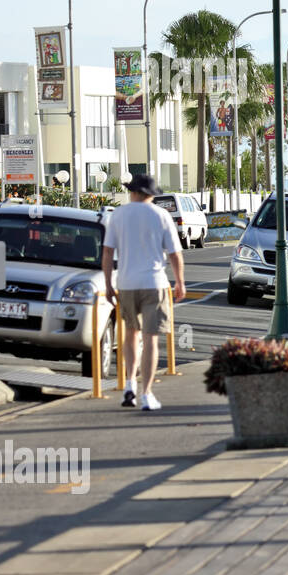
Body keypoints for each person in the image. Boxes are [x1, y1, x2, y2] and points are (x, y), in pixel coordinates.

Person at [101, 173, 186, 410]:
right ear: (151, 194)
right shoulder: (161, 215)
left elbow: (108, 253)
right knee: (151, 339)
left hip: (126, 283)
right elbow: (174, 253)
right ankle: (147, 394)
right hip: (154, 283)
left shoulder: (118, 215)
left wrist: (108, 285)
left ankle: (129, 385)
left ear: (134, 192)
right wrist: (180, 282)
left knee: (130, 335)